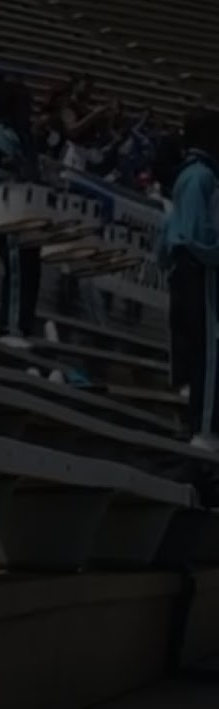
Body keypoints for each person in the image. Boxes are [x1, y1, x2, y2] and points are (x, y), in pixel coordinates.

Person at [160, 105, 219, 451]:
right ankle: (206, 426)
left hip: (189, 266)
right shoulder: (200, 176)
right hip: (199, 268)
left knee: (198, 346)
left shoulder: (192, 176)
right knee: (208, 350)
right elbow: (198, 234)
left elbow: (171, 226)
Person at [0, 76, 43, 348]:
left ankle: (23, 323)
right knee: (17, 267)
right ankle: (11, 326)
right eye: (25, 106)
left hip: (28, 210)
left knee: (31, 267)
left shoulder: (26, 137)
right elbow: (8, 171)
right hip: (9, 209)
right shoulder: (1, 135)